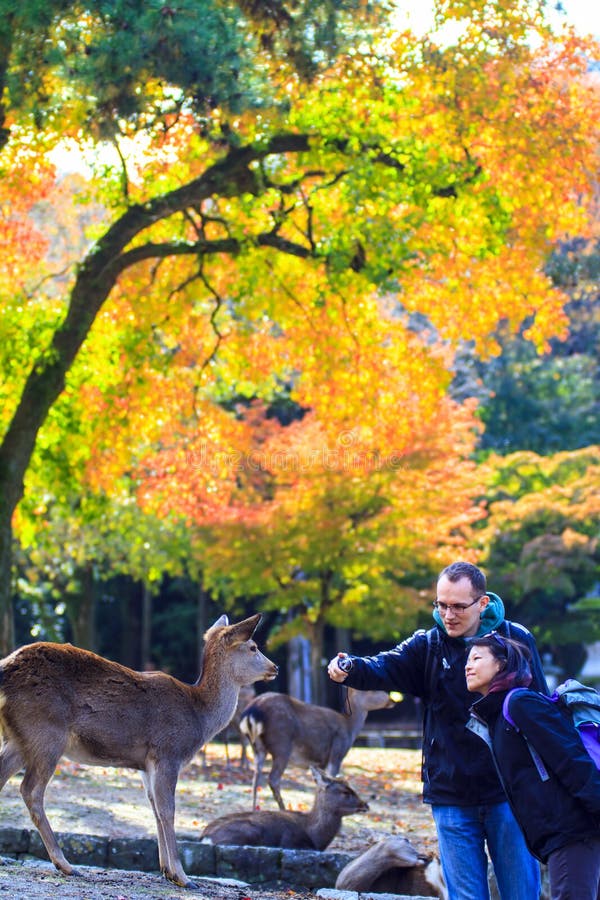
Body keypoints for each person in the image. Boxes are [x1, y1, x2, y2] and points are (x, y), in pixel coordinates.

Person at [327, 561, 548, 900]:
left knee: (522, 894)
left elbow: (544, 709)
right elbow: (385, 665)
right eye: (441, 605)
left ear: (482, 603)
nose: (449, 614)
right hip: (452, 793)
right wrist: (350, 668)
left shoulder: (515, 640)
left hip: (511, 792)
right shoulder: (428, 646)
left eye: (459, 606)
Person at [465, 633, 600, 900]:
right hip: (559, 835)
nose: (467, 666)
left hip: (573, 831)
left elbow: (570, 758)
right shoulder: (497, 716)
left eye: (477, 658)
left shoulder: (520, 702)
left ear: (501, 664)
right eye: (467, 660)